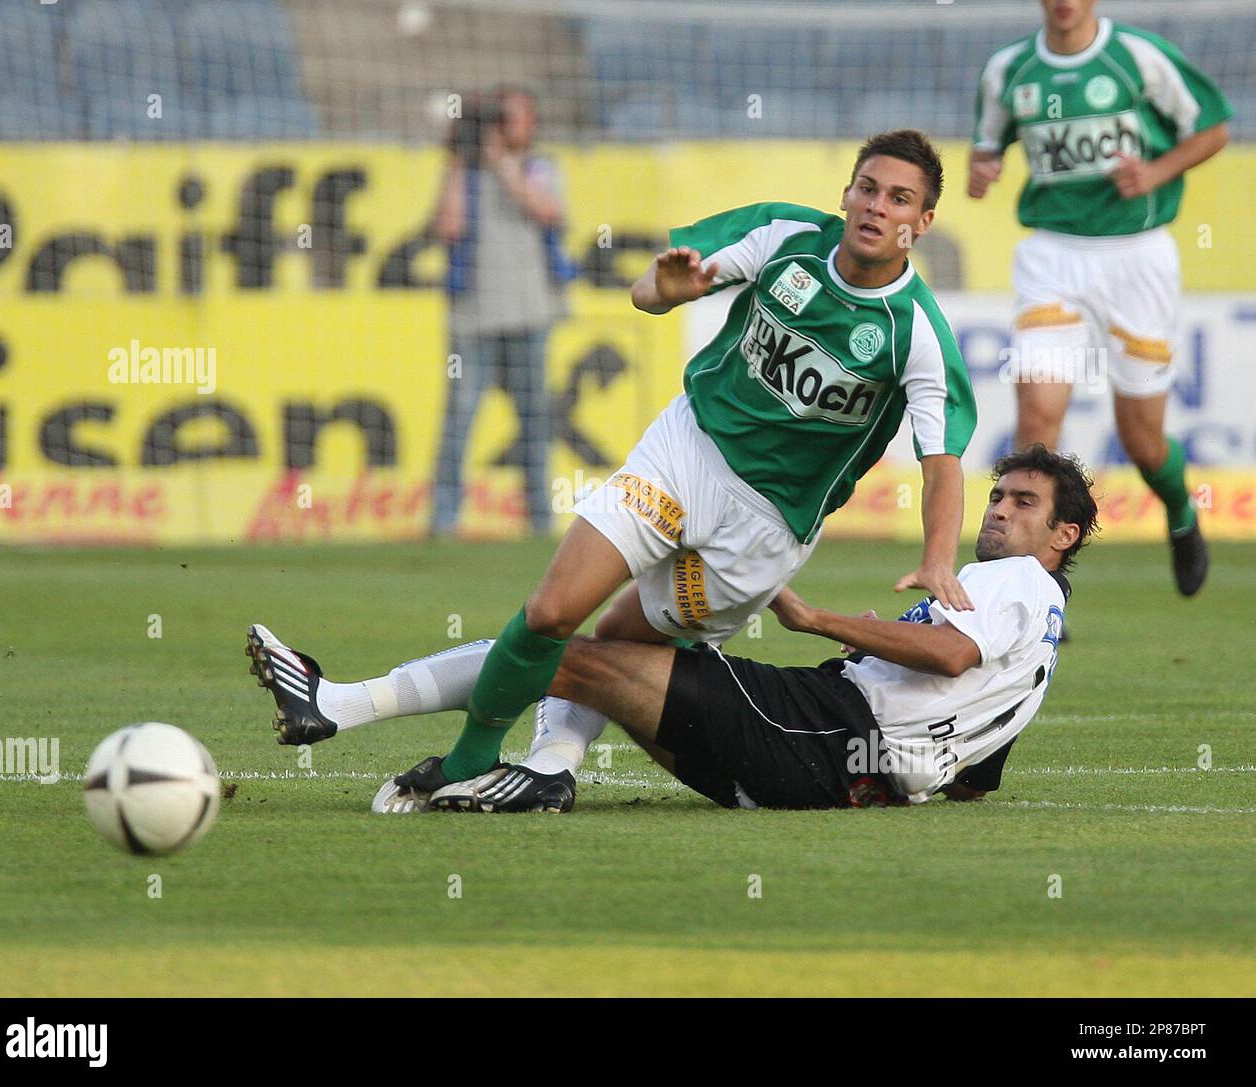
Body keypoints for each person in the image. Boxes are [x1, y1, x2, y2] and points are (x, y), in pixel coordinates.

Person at [248, 130, 978, 812]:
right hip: (688, 449)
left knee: (607, 648)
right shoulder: (789, 237)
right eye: (868, 188)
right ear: (846, 194)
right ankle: (458, 752)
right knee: (552, 612)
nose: (878, 206)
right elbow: (651, 291)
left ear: (925, 219)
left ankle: (548, 764)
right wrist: (667, 290)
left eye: (899, 198)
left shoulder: (913, 332)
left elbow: (941, 461)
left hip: (762, 532)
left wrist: (938, 559)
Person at [248, 446, 1097, 813]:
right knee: (632, 636)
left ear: (1063, 536)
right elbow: (978, 765)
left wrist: (816, 618)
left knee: (570, 649)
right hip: (812, 765)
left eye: (1024, 503)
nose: (999, 511)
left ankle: (339, 704)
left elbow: (951, 651)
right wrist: (911, 779)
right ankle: (548, 767)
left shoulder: (1014, 579)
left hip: (820, 730)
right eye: (998, 495)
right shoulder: (1041, 633)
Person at [969, 0, 1230, 597]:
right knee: (1036, 422)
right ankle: (1019, 586)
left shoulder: (1137, 55)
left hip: (1137, 256)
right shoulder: (1007, 70)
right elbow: (987, 148)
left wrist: (1157, 173)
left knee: (1141, 438)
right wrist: (981, 170)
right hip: (1052, 258)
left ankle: (1181, 512)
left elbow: (1213, 128)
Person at [430, 87, 572, 537]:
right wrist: (458, 157)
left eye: (511, 118)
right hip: (474, 318)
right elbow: (448, 228)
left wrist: (498, 160)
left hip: (529, 314)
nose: (504, 126)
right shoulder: (464, 173)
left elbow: (547, 211)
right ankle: (443, 521)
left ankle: (539, 522)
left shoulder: (539, 168)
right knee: (459, 421)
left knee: (534, 423)